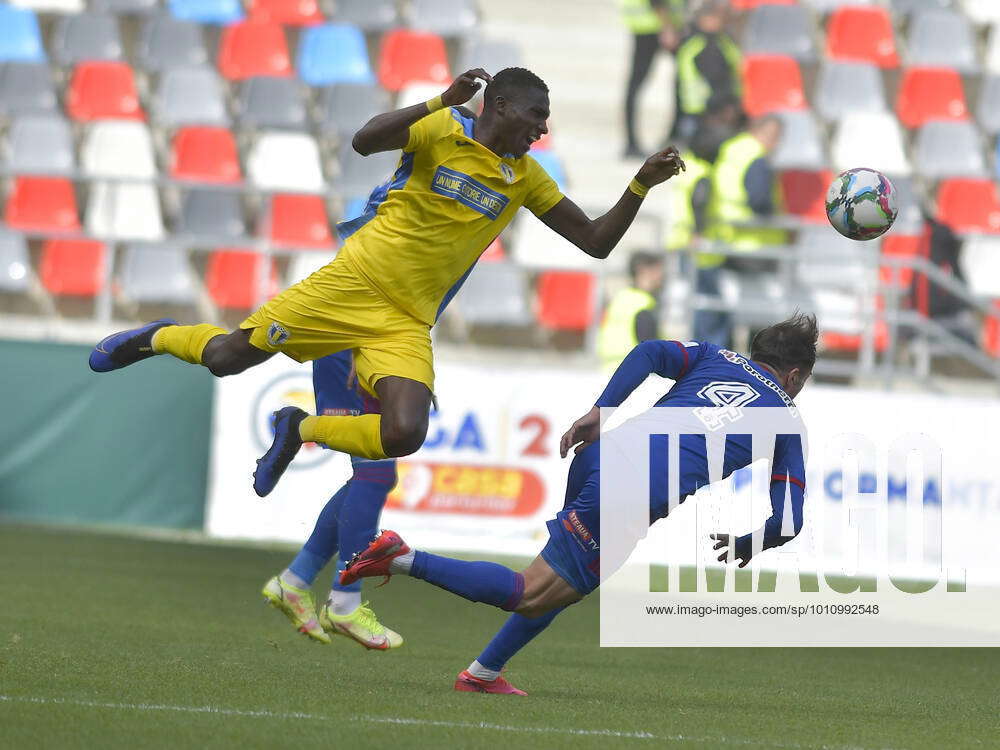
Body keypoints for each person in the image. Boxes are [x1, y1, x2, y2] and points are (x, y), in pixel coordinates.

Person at [88, 67, 686, 498]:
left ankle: (299, 428)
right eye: (536, 116)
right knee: (224, 356)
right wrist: (437, 101)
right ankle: (157, 337)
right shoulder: (441, 130)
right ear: (499, 105)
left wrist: (639, 184)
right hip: (351, 282)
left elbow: (596, 241)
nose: (543, 129)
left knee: (404, 432)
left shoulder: (525, 178)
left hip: (405, 320)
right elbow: (365, 140)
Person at [341, 313, 816, 694]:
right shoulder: (787, 421)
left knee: (566, 582)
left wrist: (601, 411)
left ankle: (483, 672)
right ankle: (402, 558)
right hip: (633, 492)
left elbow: (651, 351)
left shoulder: (716, 356)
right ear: (794, 375)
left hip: (602, 454)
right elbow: (788, 519)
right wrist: (753, 542)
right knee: (534, 589)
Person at [261, 351, 402, 650]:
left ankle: (296, 581)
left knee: (376, 472)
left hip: (369, 344)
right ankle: (343, 602)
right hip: (356, 345)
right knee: (375, 470)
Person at [701, 114, 786, 348]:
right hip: (753, 247)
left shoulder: (732, 149)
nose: (776, 143)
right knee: (758, 318)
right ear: (760, 131)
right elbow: (759, 202)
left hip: (728, 240)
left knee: (723, 311)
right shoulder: (756, 158)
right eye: (774, 136)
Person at [620, 0, 686, 159]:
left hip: (648, 24)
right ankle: (674, 134)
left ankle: (632, 143)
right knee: (683, 78)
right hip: (656, 25)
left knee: (682, 78)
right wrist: (667, 27)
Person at [672, 0, 742, 145]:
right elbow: (714, 76)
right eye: (714, 17)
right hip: (705, 108)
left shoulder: (721, 41)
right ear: (701, 19)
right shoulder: (701, 44)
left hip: (711, 105)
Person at [597, 251, 665, 372]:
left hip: (609, 370)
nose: (662, 276)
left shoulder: (621, 297)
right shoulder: (643, 304)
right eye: (657, 270)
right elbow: (651, 349)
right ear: (643, 271)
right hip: (635, 374)